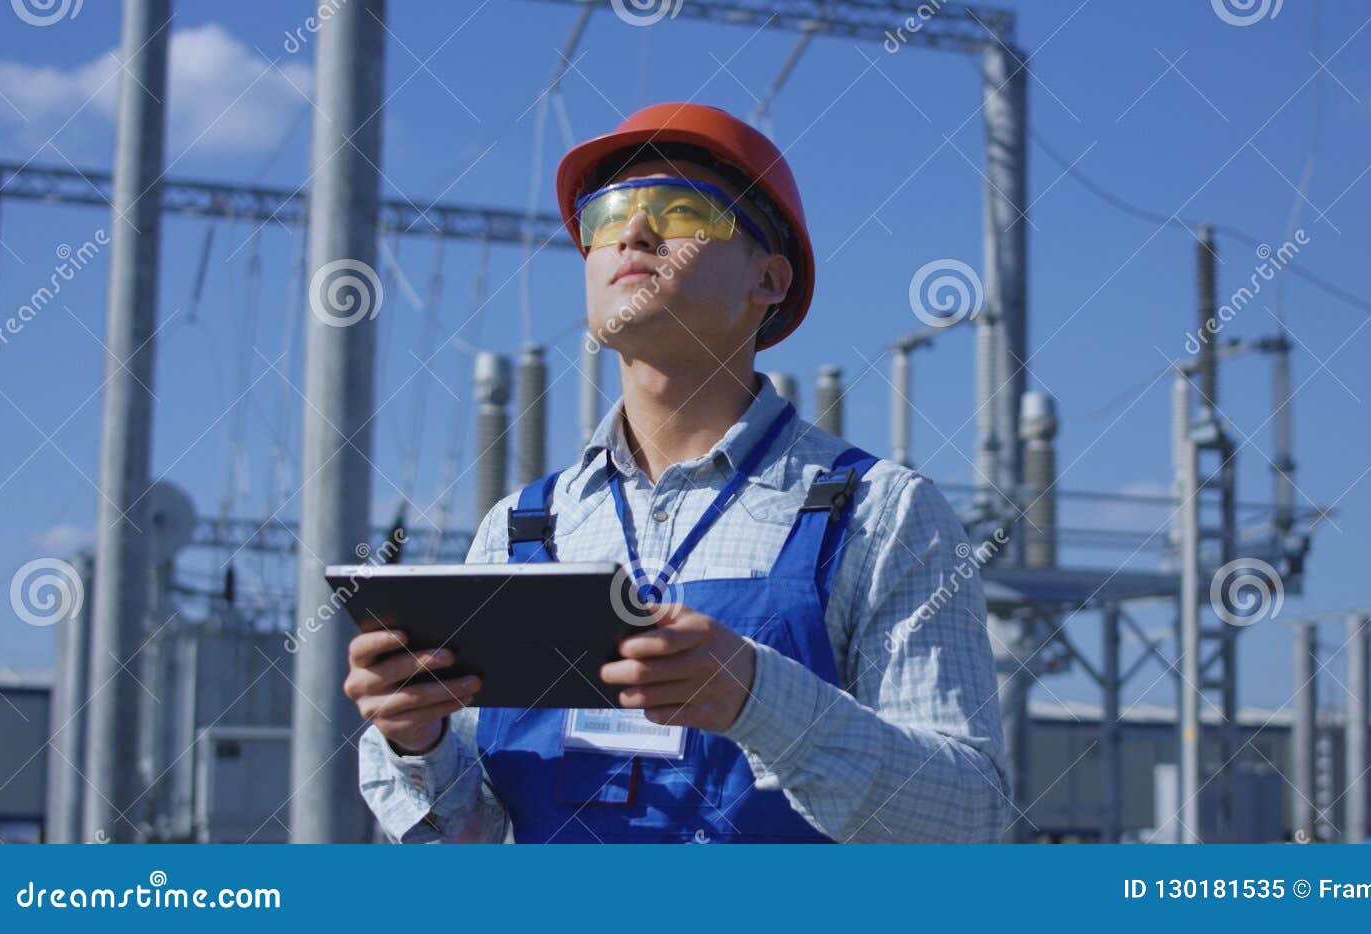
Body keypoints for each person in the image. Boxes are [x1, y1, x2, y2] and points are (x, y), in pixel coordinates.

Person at [347, 102, 1008, 843]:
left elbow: (968, 819)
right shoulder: (524, 528)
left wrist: (761, 700)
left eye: (681, 209)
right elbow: (476, 837)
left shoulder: (878, 514)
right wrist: (418, 741)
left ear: (770, 279)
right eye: (606, 217)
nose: (631, 231)